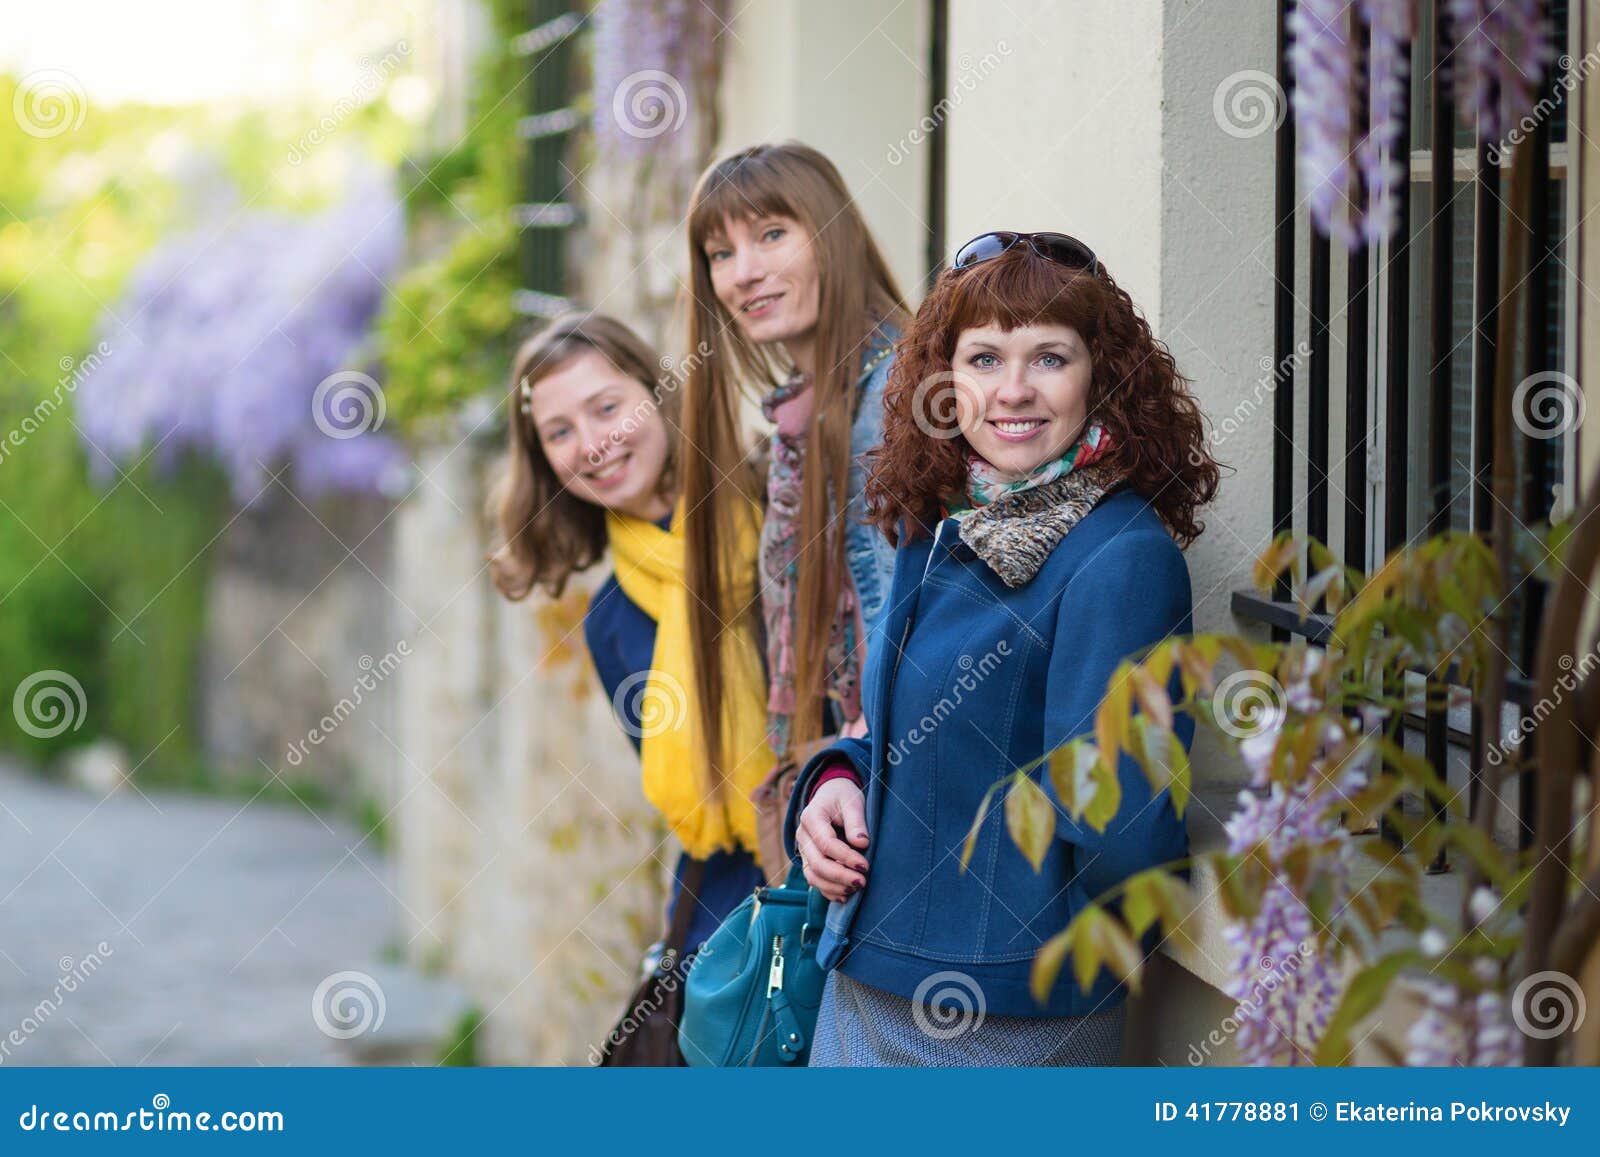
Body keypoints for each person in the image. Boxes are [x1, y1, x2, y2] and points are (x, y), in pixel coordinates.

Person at [784, 231, 1221, 1065]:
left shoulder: (1121, 557)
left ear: (1103, 375)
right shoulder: (941, 523)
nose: (1013, 390)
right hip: (863, 983)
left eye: (1049, 357)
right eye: (984, 359)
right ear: (946, 384)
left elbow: (1122, 831)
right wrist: (837, 780)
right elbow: (903, 737)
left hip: (1008, 1025)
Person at [489, 312, 769, 956]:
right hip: (731, 917)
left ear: (655, 392)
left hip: (857, 870)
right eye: (559, 432)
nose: (591, 443)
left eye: (606, 407)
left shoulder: (771, 499)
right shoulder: (612, 624)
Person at [680, 142, 908, 787]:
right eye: (721, 254)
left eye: (772, 235)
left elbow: (921, 625)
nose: (742, 273)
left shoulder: (898, 399)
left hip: (903, 776)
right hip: (858, 774)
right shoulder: (802, 419)